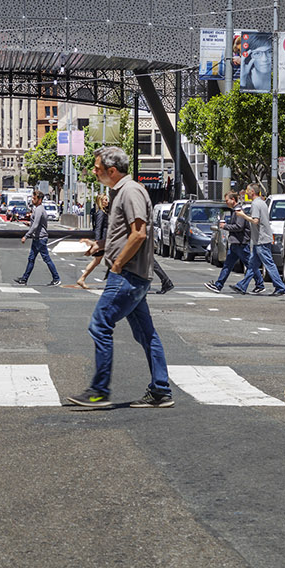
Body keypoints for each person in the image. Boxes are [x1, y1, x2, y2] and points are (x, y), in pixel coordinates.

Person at [64, 147, 172, 409]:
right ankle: (160, 390)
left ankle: (99, 391)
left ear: (112, 171)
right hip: (133, 274)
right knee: (147, 335)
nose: (94, 171)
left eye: (98, 167)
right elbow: (124, 235)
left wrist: (118, 264)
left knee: (100, 325)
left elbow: (139, 234)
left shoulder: (131, 191)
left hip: (127, 275)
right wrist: (100, 245)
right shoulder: (119, 193)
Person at [234, 183, 285, 297]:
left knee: (269, 263)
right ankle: (242, 285)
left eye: (248, 190)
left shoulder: (256, 204)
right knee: (252, 265)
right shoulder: (262, 203)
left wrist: (242, 215)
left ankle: (280, 287)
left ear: (252, 192)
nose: (246, 192)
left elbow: (255, 220)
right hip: (261, 239)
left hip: (261, 239)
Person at [207, 192, 253, 294]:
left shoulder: (238, 211)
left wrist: (225, 226)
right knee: (227, 265)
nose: (226, 202)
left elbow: (239, 227)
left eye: (227, 200)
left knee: (251, 265)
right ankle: (218, 285)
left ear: (233, 200)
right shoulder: (234, 211)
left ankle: (259, 284)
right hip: (235, 243)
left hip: (240, 243)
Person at [14, 190, 62, 286]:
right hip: (37, 238)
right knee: (31, 259)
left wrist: (26, 236)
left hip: (40, 238)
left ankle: (56, 278)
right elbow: (36, 224)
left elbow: (36, 225)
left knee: (46, 259)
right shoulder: (37, 209)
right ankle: (24, 279)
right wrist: (29, 224)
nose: (32, 200)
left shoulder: (39, 209)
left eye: (34, 198)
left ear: (39, 200)